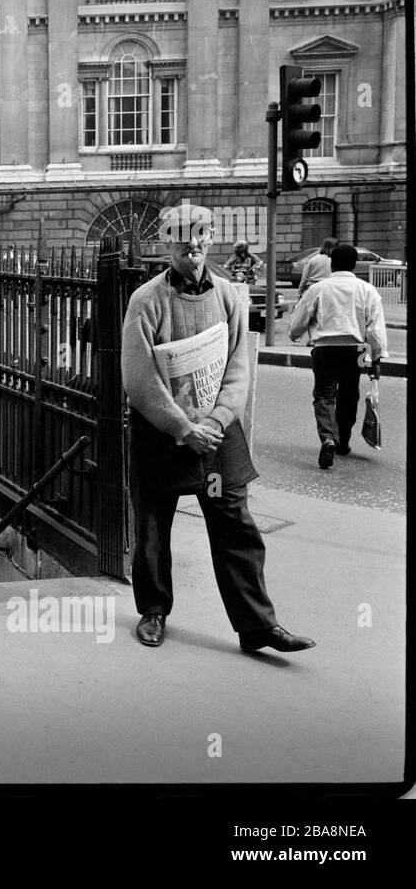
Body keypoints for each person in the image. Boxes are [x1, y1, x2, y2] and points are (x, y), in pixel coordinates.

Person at [121, 204, 314, 654]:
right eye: (182, 236)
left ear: (211, 238)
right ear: (166, 242)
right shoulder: (145, 300)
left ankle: (257, 626)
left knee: (236, 526)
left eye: (201, 234)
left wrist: (216, 421)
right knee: (152, 527)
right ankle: (153, 612)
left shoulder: (230, 296)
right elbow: (140, 379)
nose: (193, 243)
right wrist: (182, 427)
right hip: (162, 433)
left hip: (216, 432)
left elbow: (237, 367)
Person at [287, 243, 387, 468]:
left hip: (324, 347)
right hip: (358, 349)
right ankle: (343, 441)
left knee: (324, 395)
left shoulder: (318, 289)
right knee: (350, 394)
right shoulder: (368, 290)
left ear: (332, 263)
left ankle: (328, 437)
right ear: (355, 265)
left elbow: (299, 321)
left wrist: (294, 334)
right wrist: (375, 359)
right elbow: (375, 332)